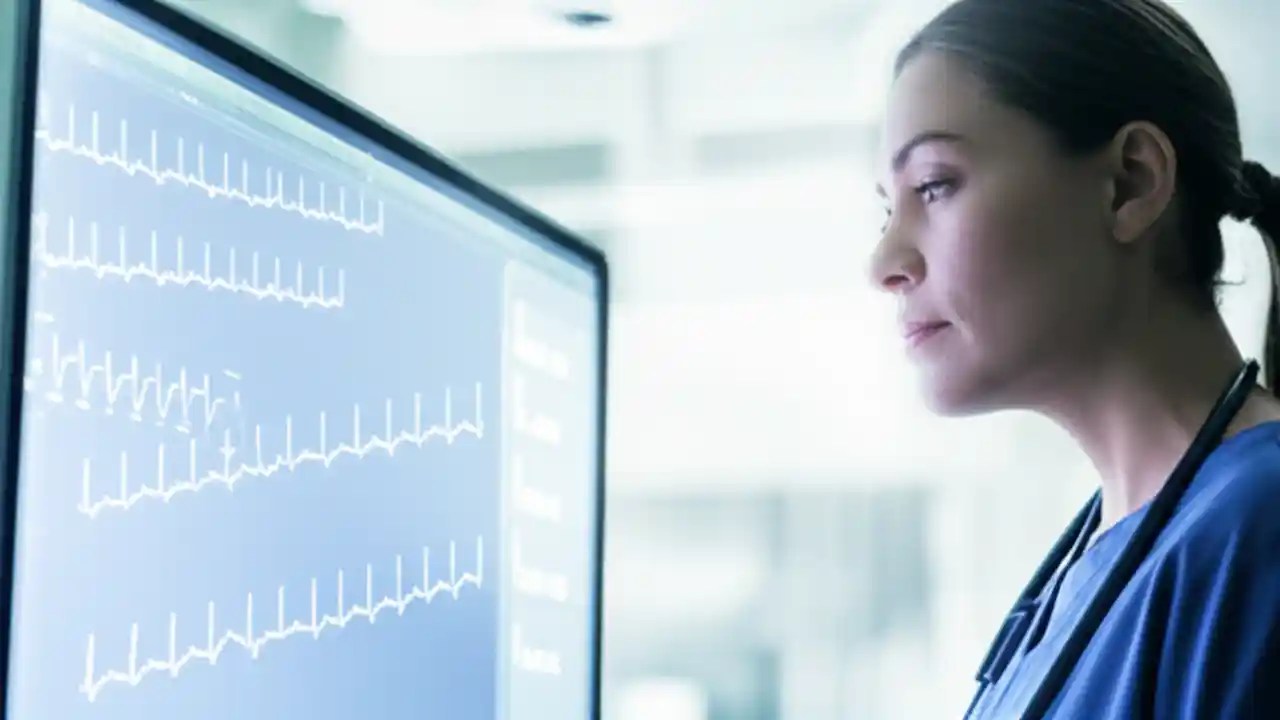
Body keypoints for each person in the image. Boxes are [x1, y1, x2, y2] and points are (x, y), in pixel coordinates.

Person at [867, 0, 1280, 717]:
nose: (885, 262)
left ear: (1130, 182)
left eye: (934, 186)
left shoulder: (1260, 527)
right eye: (887, 207)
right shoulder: (1111, 553)